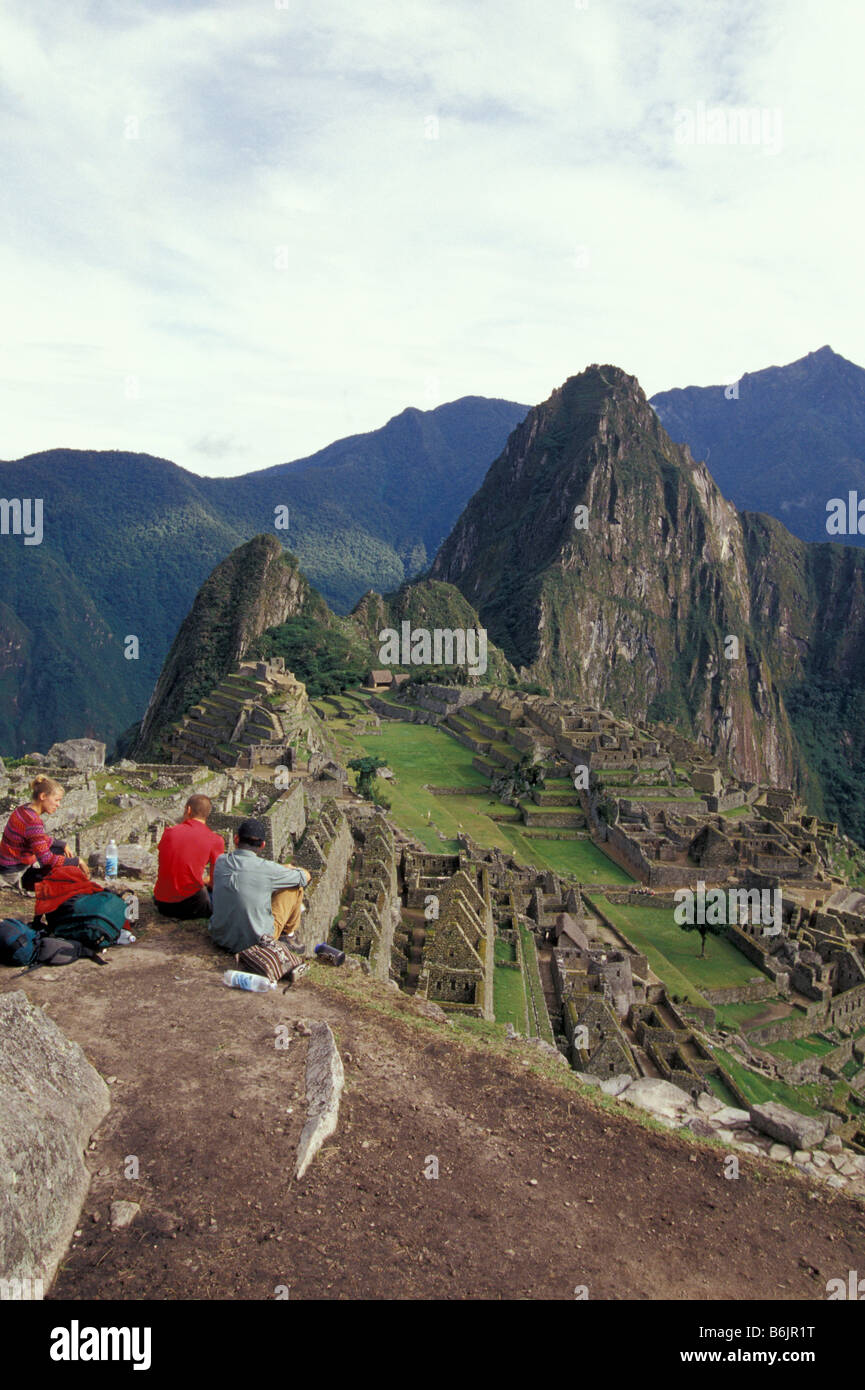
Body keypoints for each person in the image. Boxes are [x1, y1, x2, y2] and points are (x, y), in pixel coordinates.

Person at [209, 817, 310, 954]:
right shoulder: (268, 869)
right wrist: (291, 869)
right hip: (256, 943)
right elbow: (304, 878)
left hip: (220, 937)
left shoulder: (221, 861)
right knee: (295, 887)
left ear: (236, 839)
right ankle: (288, 935)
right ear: (262, 845)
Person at [0, 776, 82, 892]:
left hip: (6, 865)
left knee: (59, 851)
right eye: (56, 800)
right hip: (16, 873)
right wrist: (77, 861)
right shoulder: (33, 821)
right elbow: (46, 859)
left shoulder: (23, 809)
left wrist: (61, 844)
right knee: (66, 874)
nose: (58, 805)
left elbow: (36, 839)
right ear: (43, 796)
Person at [154, 794, 225, 919]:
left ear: (188, 810)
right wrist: (206, 880)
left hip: (162, 904)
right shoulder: (215, 840)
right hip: (192, 906)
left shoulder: (169, 832)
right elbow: (216, 881)